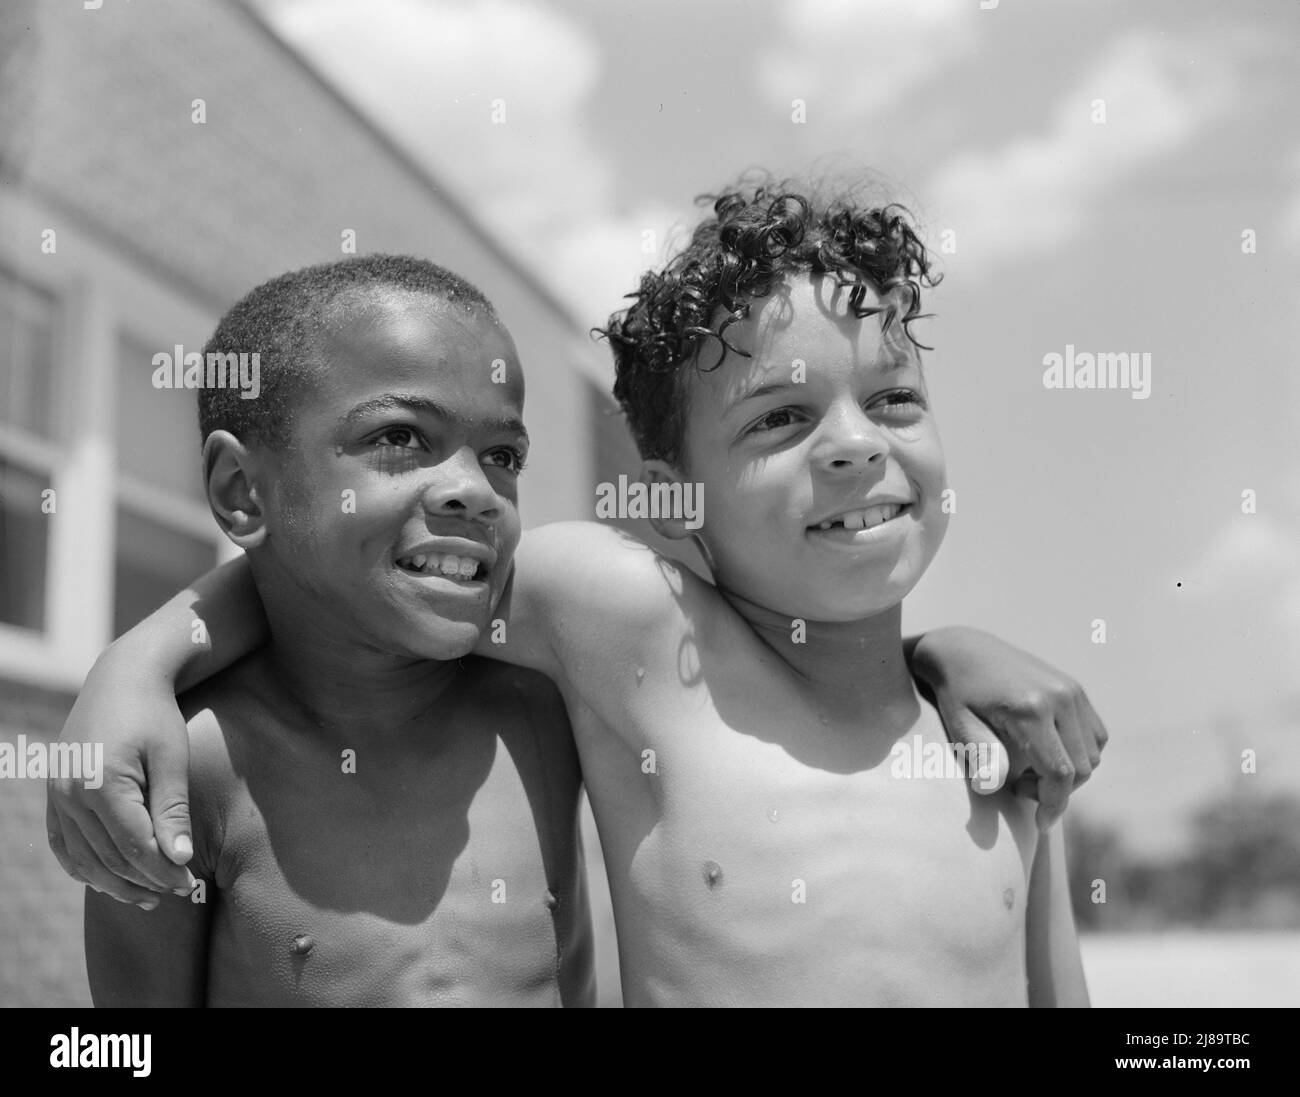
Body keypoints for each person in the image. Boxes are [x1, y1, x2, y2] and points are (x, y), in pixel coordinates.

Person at [53, 181, 1105, 1005]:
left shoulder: (997, 750)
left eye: (894, 398)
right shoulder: (613, 623)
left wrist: (943, 648)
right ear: (671, 496)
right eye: (780, 418)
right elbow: (338, 572)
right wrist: (135, 663)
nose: (852, 444)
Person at [81, 257, 594, 1005]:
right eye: (400, 436)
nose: (475, 491)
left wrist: (135, 659)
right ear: (240, 491)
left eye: (502, 456)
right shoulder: (191, 771)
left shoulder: (554, 699)